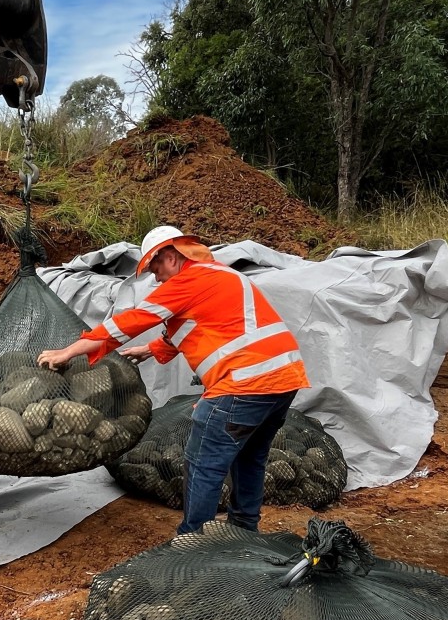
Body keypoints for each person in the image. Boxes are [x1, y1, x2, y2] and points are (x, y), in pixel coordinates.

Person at [38, 225, 308, 535]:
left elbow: (127, 323)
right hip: (283, 380)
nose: (156, 278)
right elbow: (204, 326)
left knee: (203, 464)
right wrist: (150, 350)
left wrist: (69, 351)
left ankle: (192, 541)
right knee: (250, 457)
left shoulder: (187, 281)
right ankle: (244, 531)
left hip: (243, 384)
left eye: (155, 268)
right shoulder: (220, 275)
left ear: (170, 256)